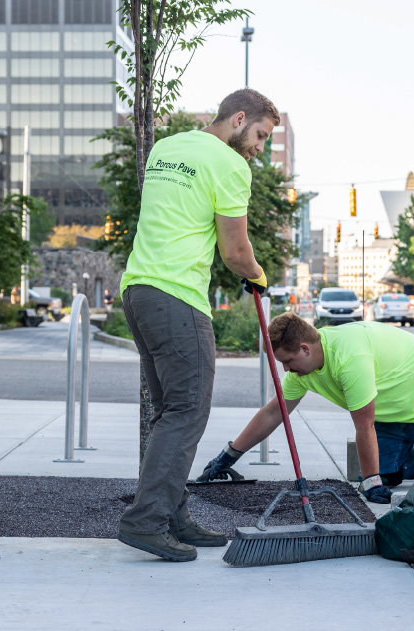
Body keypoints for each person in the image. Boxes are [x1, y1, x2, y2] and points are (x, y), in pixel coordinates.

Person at [117, 88, 278, 562]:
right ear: (239, 119)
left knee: (169, 413)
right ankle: (146, 520)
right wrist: (258, 275)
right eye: (261, 136)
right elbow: (234, 251)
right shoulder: (231, 166)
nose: (260, 147)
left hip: (138, 290)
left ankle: (170, 515)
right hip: (177, 296)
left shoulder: (166, 147)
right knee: (188, 411)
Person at [196, 313, 414, 504]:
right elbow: (274, 412)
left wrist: (369, 482)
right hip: (388, 412)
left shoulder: (348, 358)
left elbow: (363, 426)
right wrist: (229, 455)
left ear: (305, 349)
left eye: (287, 360)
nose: (286, 369)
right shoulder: (301, 371)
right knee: (390, 475)